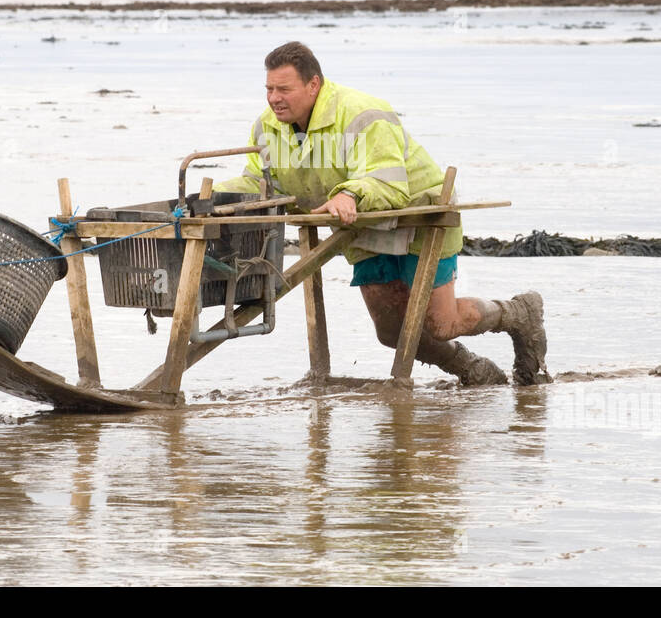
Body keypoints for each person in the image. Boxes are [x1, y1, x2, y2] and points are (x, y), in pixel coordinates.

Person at [216, 41, 552, 387]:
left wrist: (349, 194)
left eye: (283, 89)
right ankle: (472, 369)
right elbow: (260, 181)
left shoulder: (363, 115)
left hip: (420, 215)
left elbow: (389, 183)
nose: (274, 98)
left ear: (313, 84)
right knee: (391, 330)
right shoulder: (265, 128)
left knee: (441, 323)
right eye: (269, 89)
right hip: (362, 225)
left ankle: (518, 313)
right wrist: (215, 198)